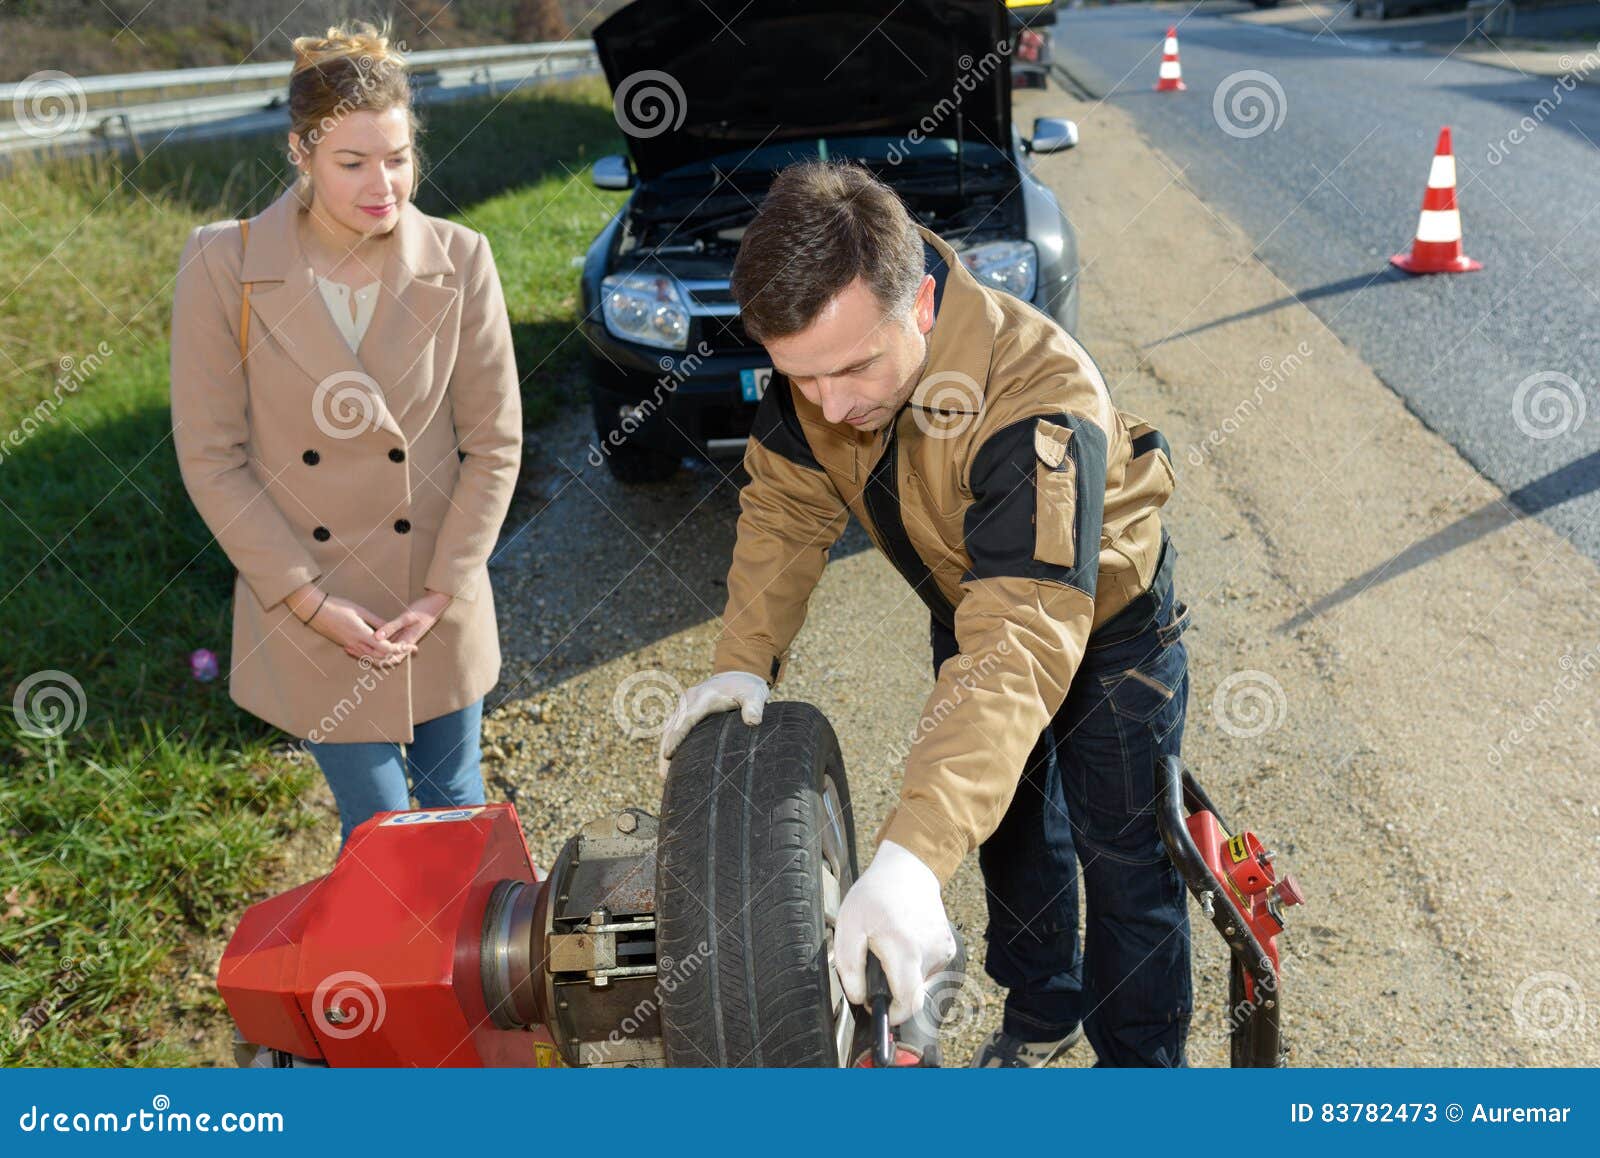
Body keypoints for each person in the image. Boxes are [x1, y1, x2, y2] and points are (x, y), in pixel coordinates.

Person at [658, 161, 1192, 1067]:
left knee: (1127, 857)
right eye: (801, 377)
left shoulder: (1039, 401)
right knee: (1014, 833)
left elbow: (1022, 639)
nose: (830, 405)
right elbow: (787, 508)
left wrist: (906, 855)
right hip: (970, 601)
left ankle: (1140, 1074)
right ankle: (1042, 1013)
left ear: (925, 306)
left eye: (854, 368)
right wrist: (743, 658)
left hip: (1100, 624)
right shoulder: (829, 364)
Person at [169, 21, 522, 849]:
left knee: (456, 803)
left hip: (439, 589)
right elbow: (211, 458)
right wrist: (307, 600)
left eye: (398, 157)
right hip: (306, 602)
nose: (383, 184)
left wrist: (440, 592)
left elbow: (495, 441)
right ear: (300, 152)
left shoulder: (463, 259)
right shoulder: (223, 265)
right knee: (380, 827)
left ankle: (479, 978)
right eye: (352, 162)